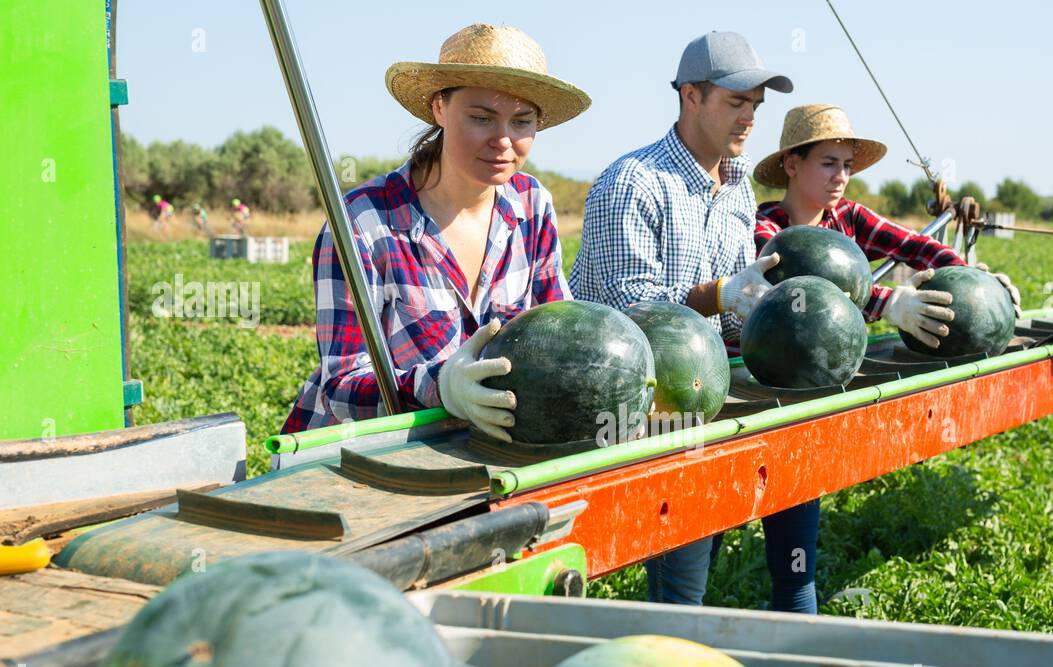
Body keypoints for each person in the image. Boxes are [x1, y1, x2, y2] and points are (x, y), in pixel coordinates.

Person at [750, 103, 1022, 613]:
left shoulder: (849, 218)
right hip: (768, 386)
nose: (841, 177)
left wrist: (978, 282)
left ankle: (794, 649)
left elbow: (924, 248)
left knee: (796, 549)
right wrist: (886, 303)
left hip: (824, 388)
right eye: (829, 163)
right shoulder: (768, 228)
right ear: (791, 164)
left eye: (848, 166)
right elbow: (797, 290)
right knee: (710, 535)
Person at [281, 23, 589, 440]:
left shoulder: (532, 206)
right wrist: (441, 386)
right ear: (439, 108)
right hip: (362, 457)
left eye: (522, 121)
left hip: (482, 445)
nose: (503, 140)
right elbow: (341, 388)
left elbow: (557, 331)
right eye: (481, 118)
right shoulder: (362, 225)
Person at [570, 30, 791, 605]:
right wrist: (720, 294)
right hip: (624, 401)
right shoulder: (633, 182)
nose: (749, 119)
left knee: (698, 548)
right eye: (736, 102)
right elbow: (628, 312)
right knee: (683, 579)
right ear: (690, 95)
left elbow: (733, 311)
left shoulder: (739, 190)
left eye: (756, 107)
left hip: (698, 394)